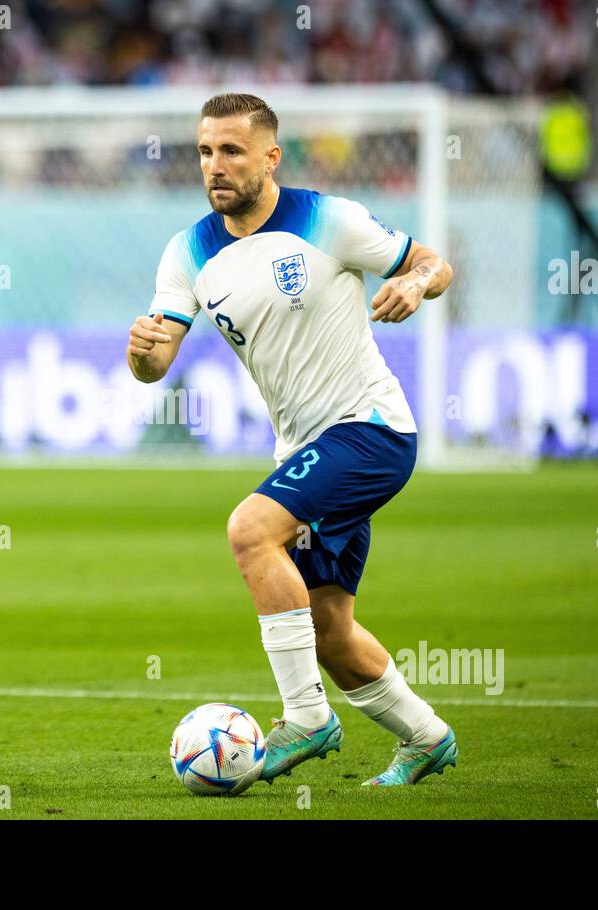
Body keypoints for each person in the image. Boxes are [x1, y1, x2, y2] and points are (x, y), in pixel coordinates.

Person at [126, 93, 457, 787]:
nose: (215, 166)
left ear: (270, 157)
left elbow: (432, 261)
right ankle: (427, 738)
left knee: (251, 530)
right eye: (205, 152)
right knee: (330, 630)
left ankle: (306, 717)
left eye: (231, 151)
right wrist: (141, 353)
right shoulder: (187, 251)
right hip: (304, 448)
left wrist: (415, 283)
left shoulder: (326, 219)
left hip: (371, 429)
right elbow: (156, 365)